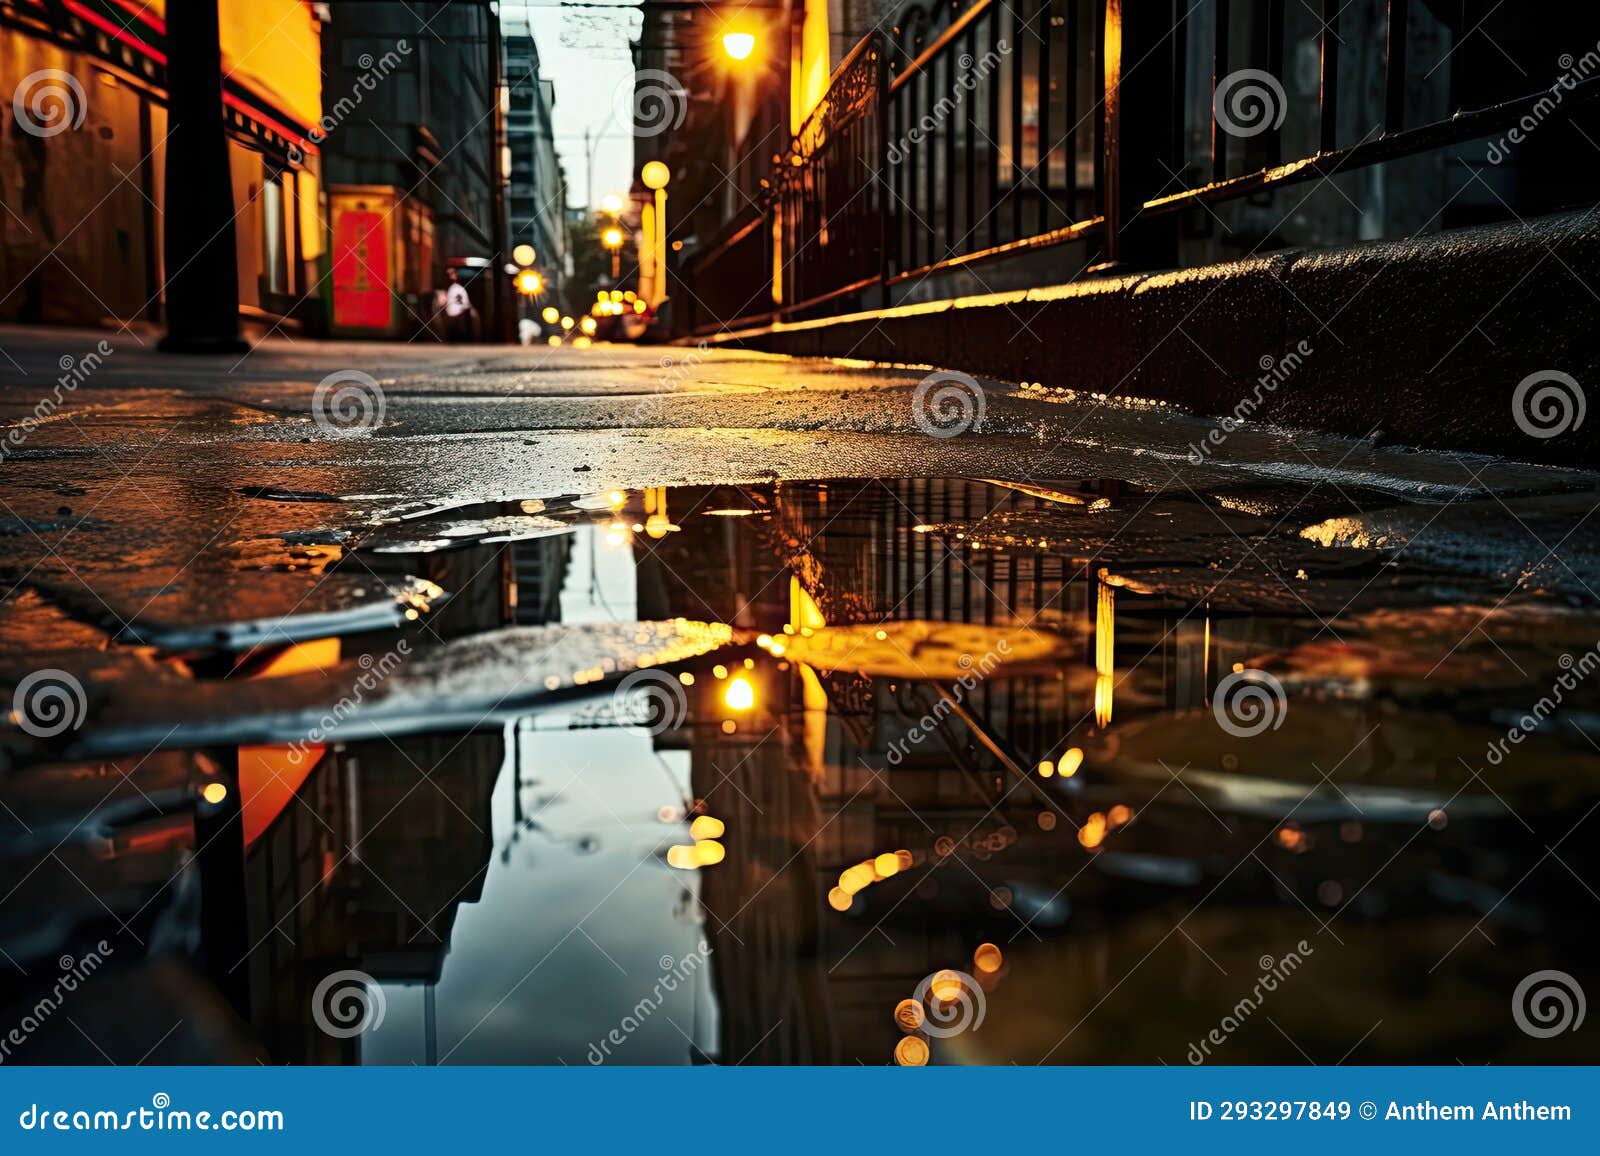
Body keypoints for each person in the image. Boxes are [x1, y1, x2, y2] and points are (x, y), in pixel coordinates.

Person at [443, 267, 473, 342]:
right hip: (451, 316)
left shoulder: (458, 288)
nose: (451, 277)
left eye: (452, 274)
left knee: (458, 336)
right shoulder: (448, 289)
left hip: (458, 316)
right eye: (449, 275)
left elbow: (466, 304)